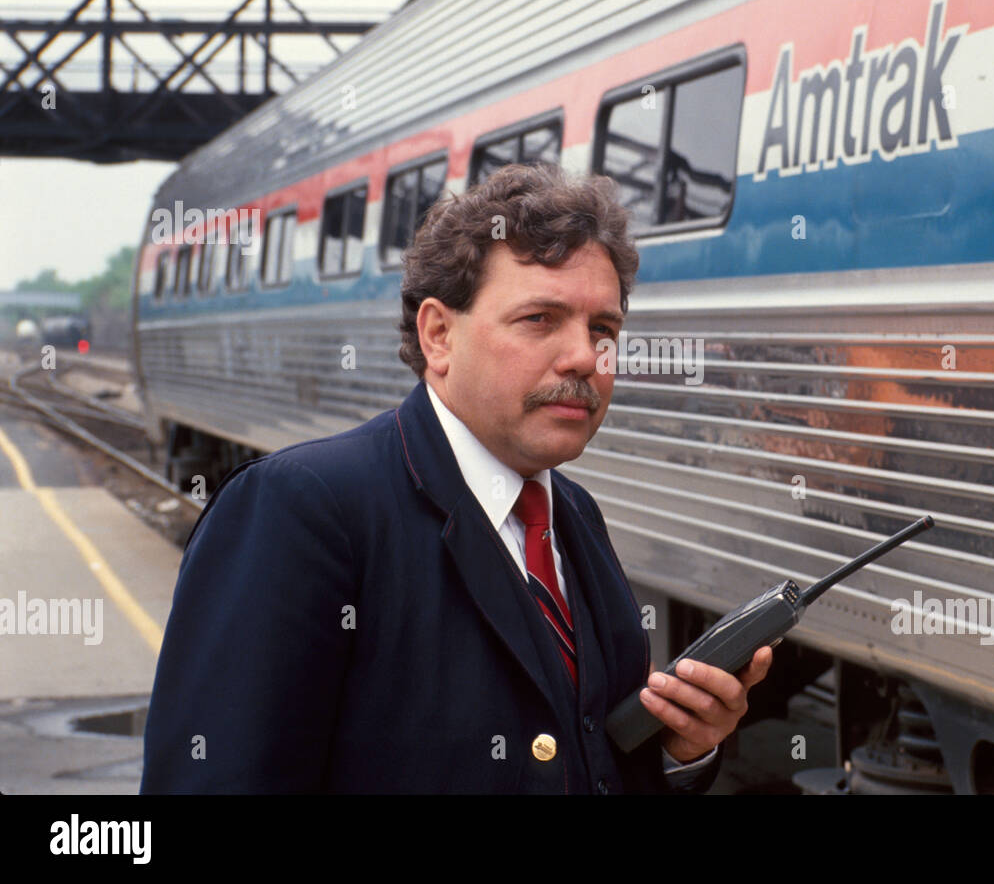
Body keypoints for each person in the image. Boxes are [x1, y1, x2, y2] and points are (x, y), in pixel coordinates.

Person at [140, 162, 772, 793]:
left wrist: (678, 752)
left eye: (602, 329)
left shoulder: (574, 517)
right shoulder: (303, 510)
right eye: (540, 320)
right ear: (438, 335)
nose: (585, 355)